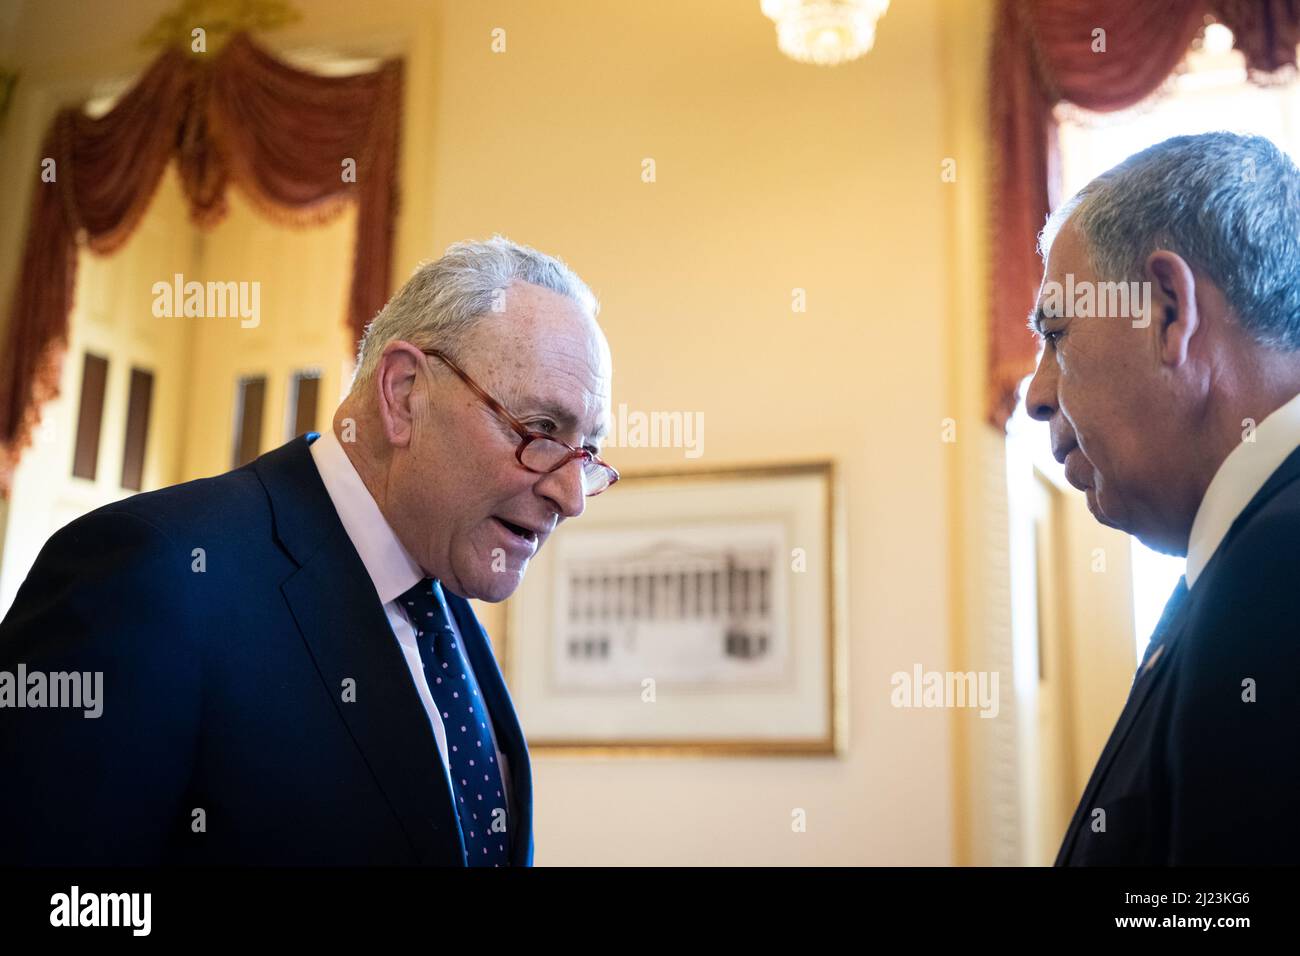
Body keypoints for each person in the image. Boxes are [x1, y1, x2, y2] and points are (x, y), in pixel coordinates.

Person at [0, 236, 616, 865]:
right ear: (405, 393)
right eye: (540, 431)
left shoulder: (443, 595)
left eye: (588, 453)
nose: (572, 496)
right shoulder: (150, 575)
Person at [1026, 132, 1300, 865]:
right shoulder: (1248, 554)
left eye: (1056, 333)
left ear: (1169, 311)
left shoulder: (1277, 566)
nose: (1034, 395)